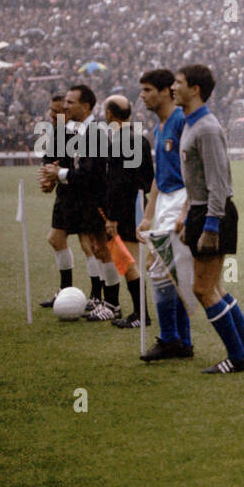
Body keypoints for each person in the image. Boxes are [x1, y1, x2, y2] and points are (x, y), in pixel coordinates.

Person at [174, 63, 244, 374]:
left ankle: (238, 357)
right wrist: (188, 216)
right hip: (203, 210)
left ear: (195, 89)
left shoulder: (207, 128)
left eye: (179, 82)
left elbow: (219, 181)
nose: (174, 88)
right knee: (214, 288)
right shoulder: (191, 123)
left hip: (214, 212)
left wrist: (210, 226)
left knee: (202, 289)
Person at [39, 83, 121, 320]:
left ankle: (110, 303)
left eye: (70, 103)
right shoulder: (77, 129)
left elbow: (91, 173)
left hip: (93, 198)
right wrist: (50, 175)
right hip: (82, 195)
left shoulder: (94, 132)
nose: (65, 107)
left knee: (101, 249)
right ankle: (104, 301)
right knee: (96, 248)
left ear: (85, 106)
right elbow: (56, 158)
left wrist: (60, 175)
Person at [136, 69, 196, 361]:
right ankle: (181, 341)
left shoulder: (181, 122)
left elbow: (193, 170)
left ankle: (171, 339)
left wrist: (186, 208)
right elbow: (158, 177)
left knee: (162, 270)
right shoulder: (160, 127)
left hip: (181, 198)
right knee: (169, 271)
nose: (143, 96)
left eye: (147, 90)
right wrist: (149, 214)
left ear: (165, 92)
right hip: (164, 202)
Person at [101, 94, 154, 329]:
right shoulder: (140, 139)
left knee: (127, 260)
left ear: (109, 115)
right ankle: (139, 313)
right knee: (130, 259)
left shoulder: (120, 141)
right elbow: (149, 177)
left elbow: (116, 183)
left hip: (125, 207)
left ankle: (141, 314)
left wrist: (111, 216)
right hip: (138, 203)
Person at [36, 91, 78, 306]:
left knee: (92, 245)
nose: (51, 114)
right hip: (65, 193)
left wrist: (57, 174)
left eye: (56, 111)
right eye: (50, 110)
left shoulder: (80, 132)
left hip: (83, 193)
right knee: (56, 239)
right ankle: (66, 291)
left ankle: (102, 299)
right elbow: (49, 160)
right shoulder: (56, 131)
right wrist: (46, 180)